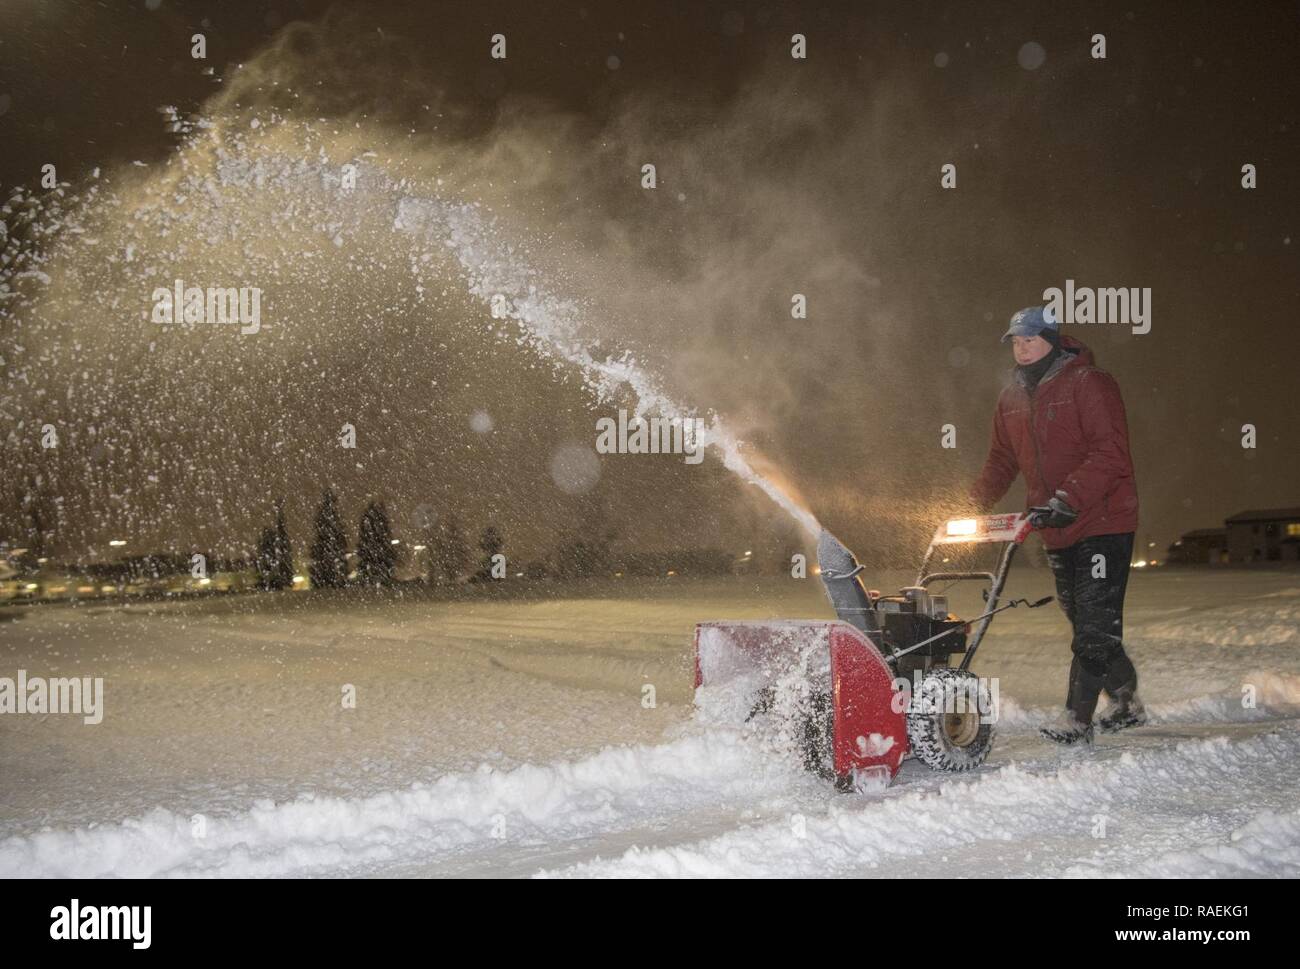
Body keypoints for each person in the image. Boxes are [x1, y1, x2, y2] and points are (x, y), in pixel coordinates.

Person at [969, 306, 1145, 745]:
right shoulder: (1011, 397)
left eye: (1030, 339)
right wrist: (968, 503)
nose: (1022, 348)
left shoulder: (1089, 384)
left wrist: (1067, 498)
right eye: (1015, 341)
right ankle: (1125, 699)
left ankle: (1076, 720)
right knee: (1086, 620)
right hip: (1054, 524)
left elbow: (1111, 454)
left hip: (1103, 519)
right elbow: (1002, 461)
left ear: (1052, 338)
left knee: (1093, 624)